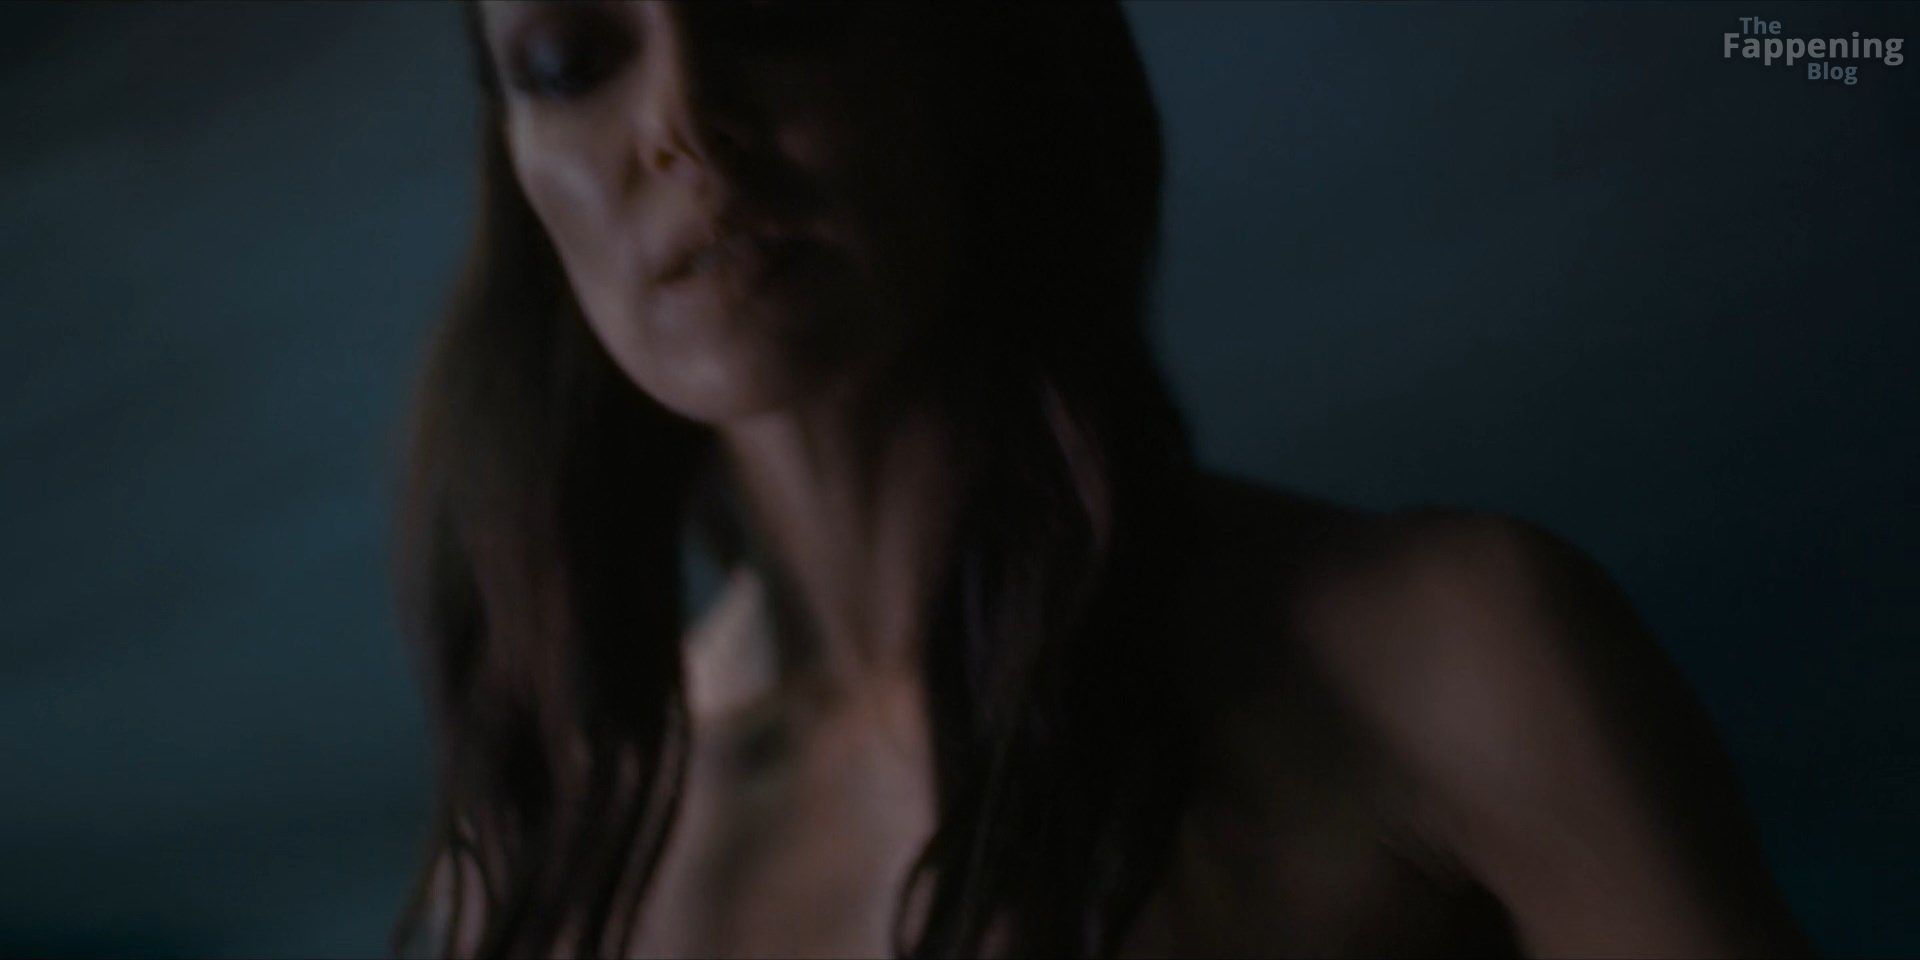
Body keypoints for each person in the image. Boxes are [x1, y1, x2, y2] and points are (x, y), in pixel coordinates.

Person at [391, 3, 1812, 957]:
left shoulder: (1447, 659)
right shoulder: (542, 861)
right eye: (569, 60)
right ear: (516, 163)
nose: (685, 119)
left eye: (779, 6)